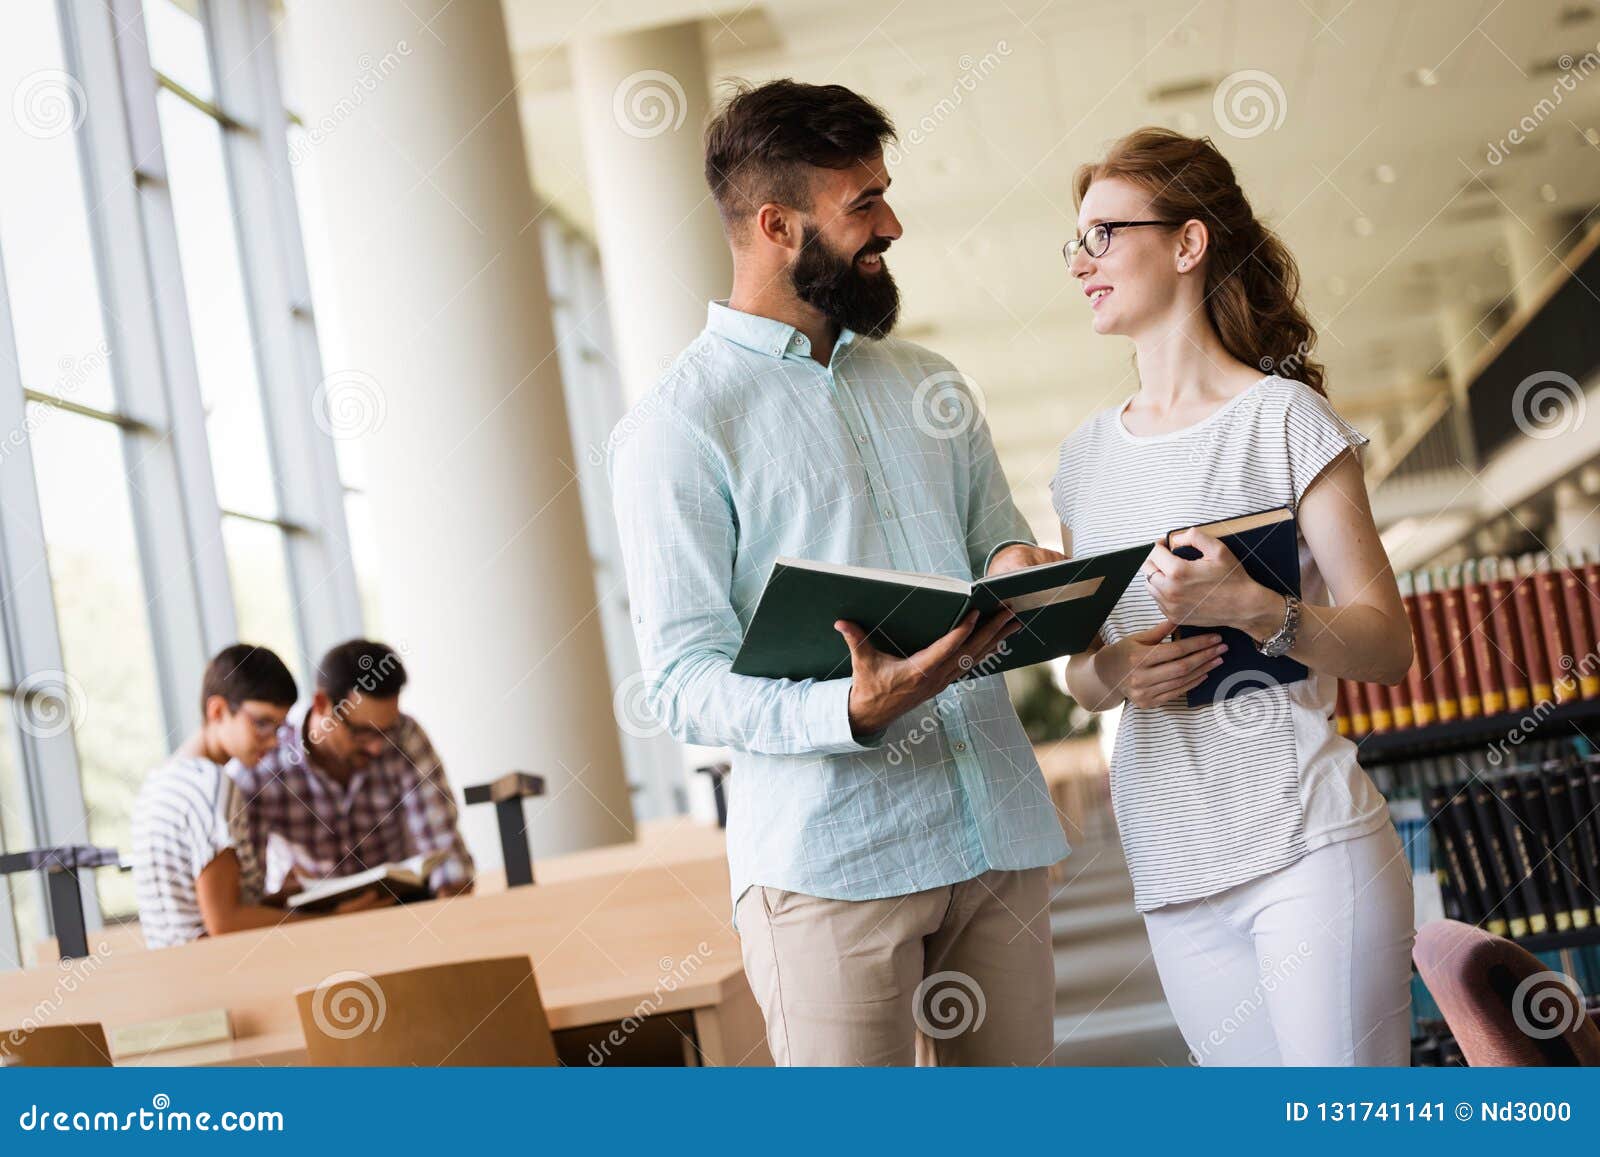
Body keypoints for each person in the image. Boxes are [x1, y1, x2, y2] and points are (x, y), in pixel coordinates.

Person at [608, 79, 1069, 1067]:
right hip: (831, 862)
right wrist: (847, 712)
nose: (890, 224)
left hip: (993, 831)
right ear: (776, 224)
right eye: (862, 203)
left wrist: (1016, 566)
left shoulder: (929, 381)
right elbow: (682, 681)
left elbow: (996, 534)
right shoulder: (677, 427)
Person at [1039, 127, 1414, 1065]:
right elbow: (1082, 679)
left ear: (1188, 244)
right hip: (1170, 863)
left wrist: (1256, 608)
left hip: (1308, 843)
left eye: (1103, 234)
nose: (1082, 262)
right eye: (1074, 241)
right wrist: (1115, 668)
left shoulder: (1285, 418)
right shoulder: (1085, 458)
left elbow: (1386, 643)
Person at [130, 644, 386, 947]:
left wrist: (286, 899)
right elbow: (224, 922)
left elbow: (195, 909)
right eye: (262, 723)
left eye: (279, 728)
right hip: (217, 975)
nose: (273, 741)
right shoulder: (214, 787)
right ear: (218, 711)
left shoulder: (160, 781)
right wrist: (331, 921)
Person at [229, 639, 474, 900]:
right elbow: (248, 896)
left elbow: (445, 850)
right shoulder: (265, 763)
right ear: (322, 703)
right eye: (362, 732)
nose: (376, 748)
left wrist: (449, 904)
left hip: (399, 904)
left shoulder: (404, 736)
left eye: (386, 732)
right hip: (312, 921)